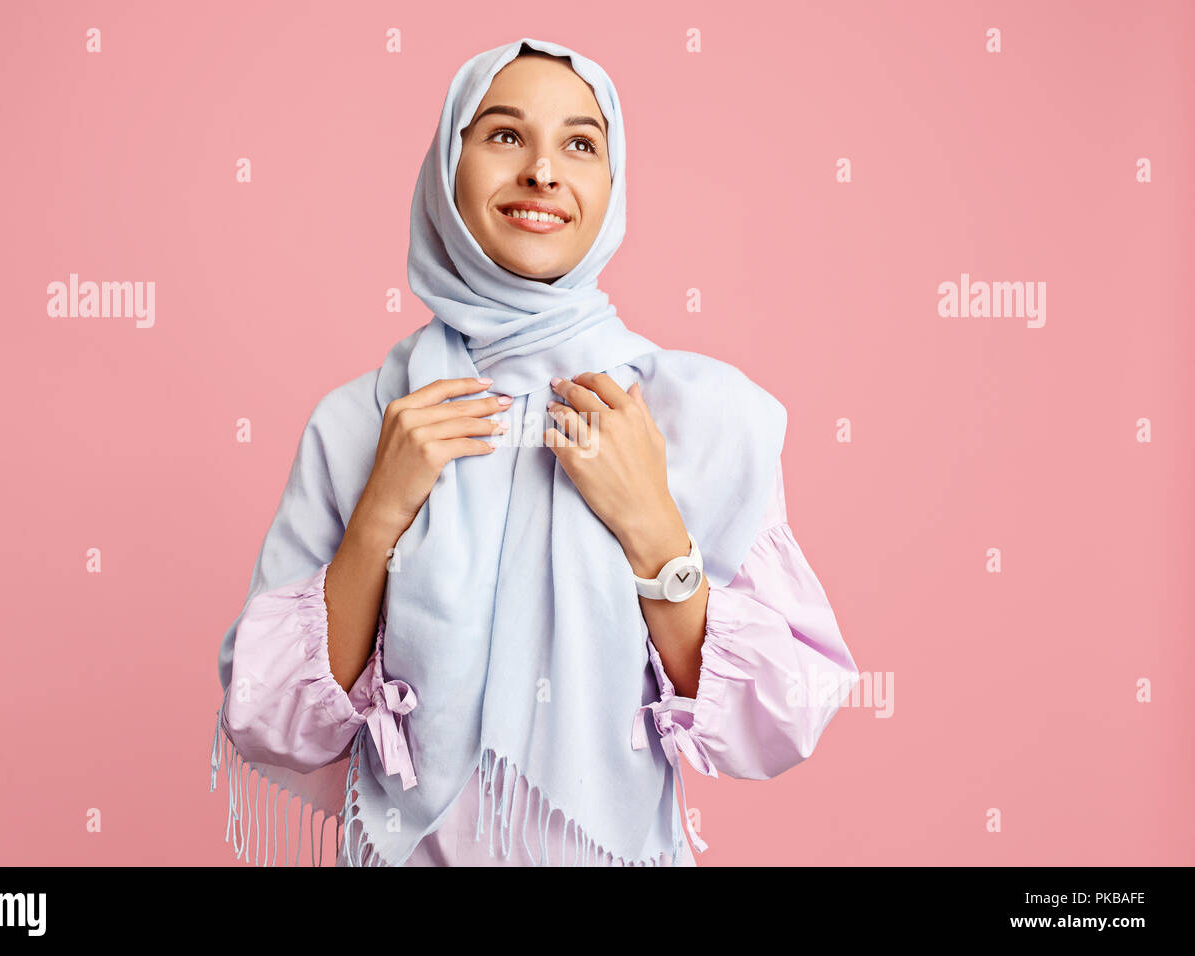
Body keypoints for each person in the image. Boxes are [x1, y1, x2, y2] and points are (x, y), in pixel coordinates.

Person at [207, 37, 858, 867]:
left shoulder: (699, 416)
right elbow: (271, 717)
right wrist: (378, 515)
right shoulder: (363, 421)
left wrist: (654, 527)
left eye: (580, 144)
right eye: (506, 135)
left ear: (612, 185)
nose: (543, 172)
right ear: (449, 166)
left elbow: (781, 717)